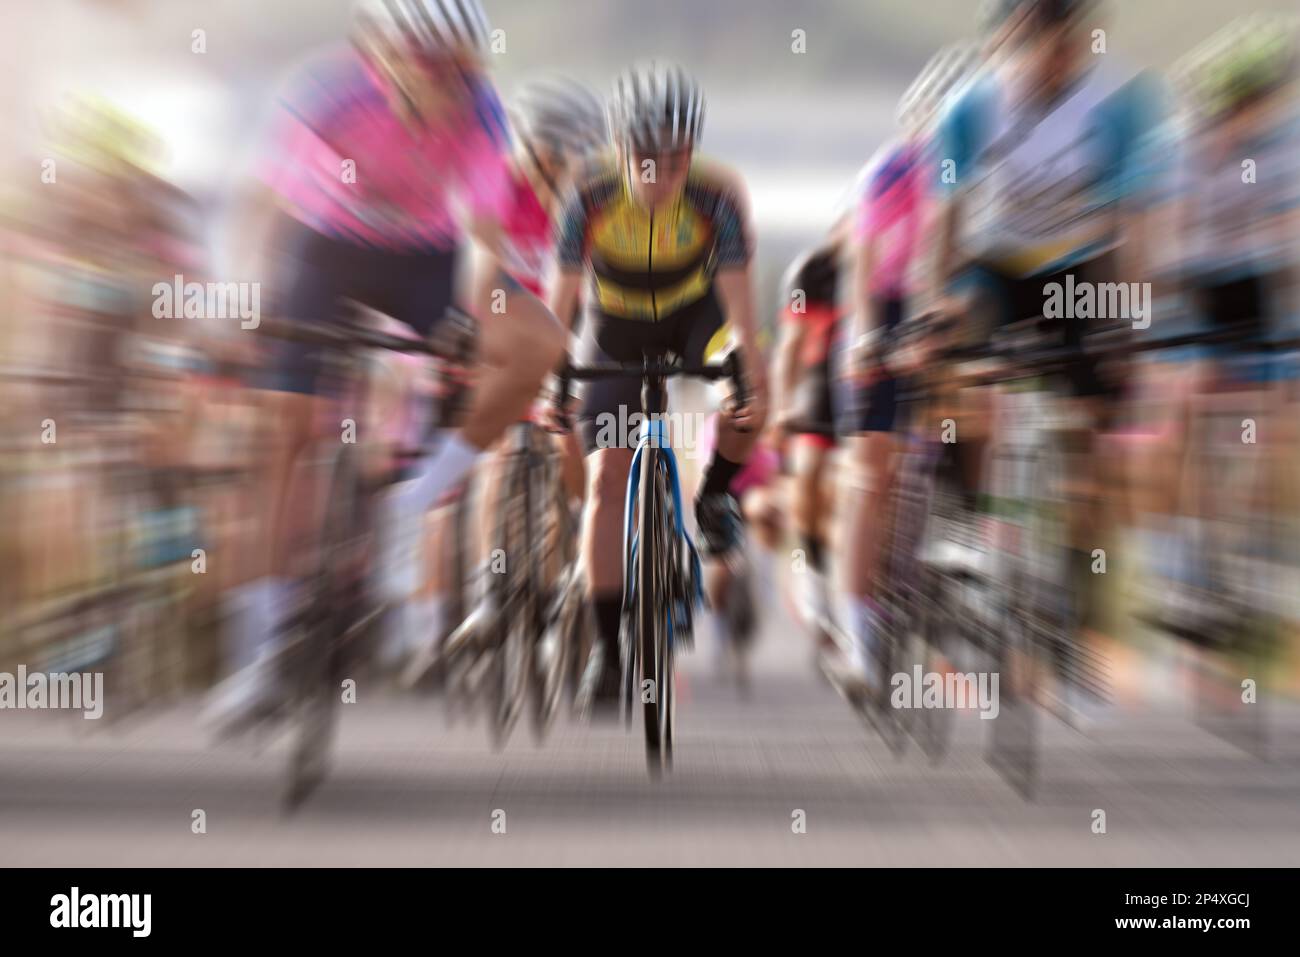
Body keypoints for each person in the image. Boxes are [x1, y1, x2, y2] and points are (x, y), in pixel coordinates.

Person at [206, 0, 566, 729]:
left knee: (540, 345)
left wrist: (472, 321)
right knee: (283, 433)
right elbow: (261, 207)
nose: (447, 86)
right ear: (385, 55)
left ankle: (412, 501)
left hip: (425, 258)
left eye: (461, 71)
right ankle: (257, 648)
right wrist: (233, 300)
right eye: (430, 66)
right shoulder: (331, 90)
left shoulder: (483, 115)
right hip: (323, 244)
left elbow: (485, 235)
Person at [548, 62, 768, 711]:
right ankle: (609, 654)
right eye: (644, 157)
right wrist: (554, 376)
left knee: (745, 392)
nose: (657, 175)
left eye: (673, 160)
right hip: (612, 327)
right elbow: (558, 304)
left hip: (693, 317)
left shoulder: (716, 196)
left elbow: (742, 315)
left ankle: (715, 496)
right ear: (618, 147)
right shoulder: (586, 193)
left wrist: (747, 377)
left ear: (691, 152)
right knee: (606, 480)